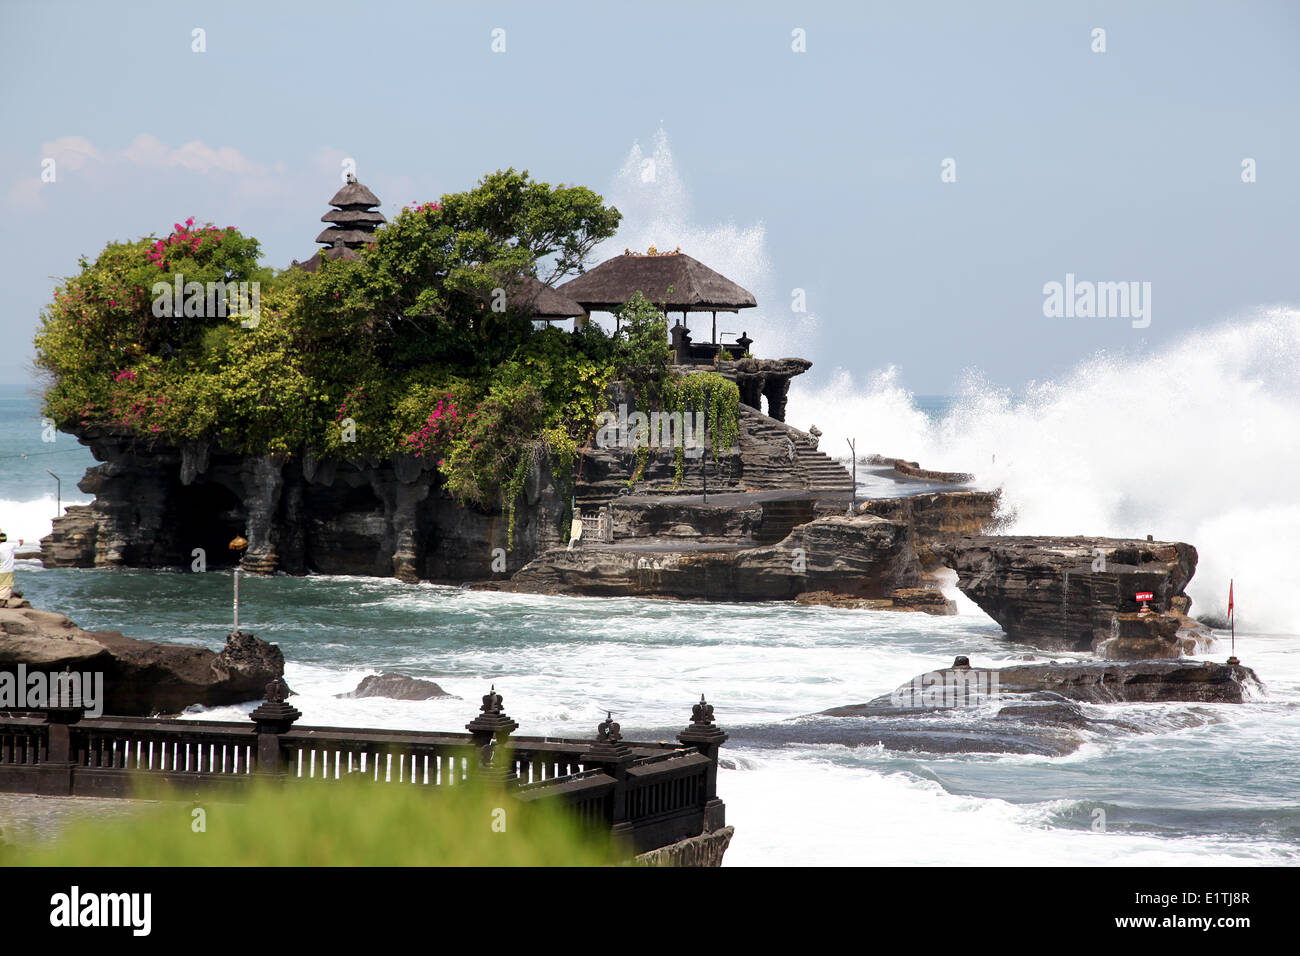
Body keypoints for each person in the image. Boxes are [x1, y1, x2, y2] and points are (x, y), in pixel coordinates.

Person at [0, 530, 23, 608]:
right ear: (5, 539)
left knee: (1, 586)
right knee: (7, 586)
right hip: (8, 570)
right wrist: (20, 539)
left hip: (1, 570)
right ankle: (5, 603)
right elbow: (20, 543)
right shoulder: (10, 545)